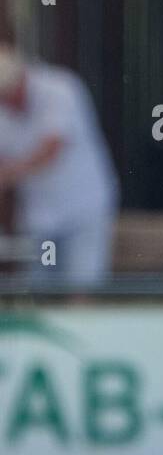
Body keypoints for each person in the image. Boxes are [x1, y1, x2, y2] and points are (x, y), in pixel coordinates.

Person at [0, 43, 119, 288]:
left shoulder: (60, 88)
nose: (7, 104)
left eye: (9, 95)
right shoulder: (3, 107)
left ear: (21, 79)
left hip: (83, 210)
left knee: (82, 289)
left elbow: (51, 149)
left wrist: (7, 174)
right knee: (38, 293)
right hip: (39, 217)